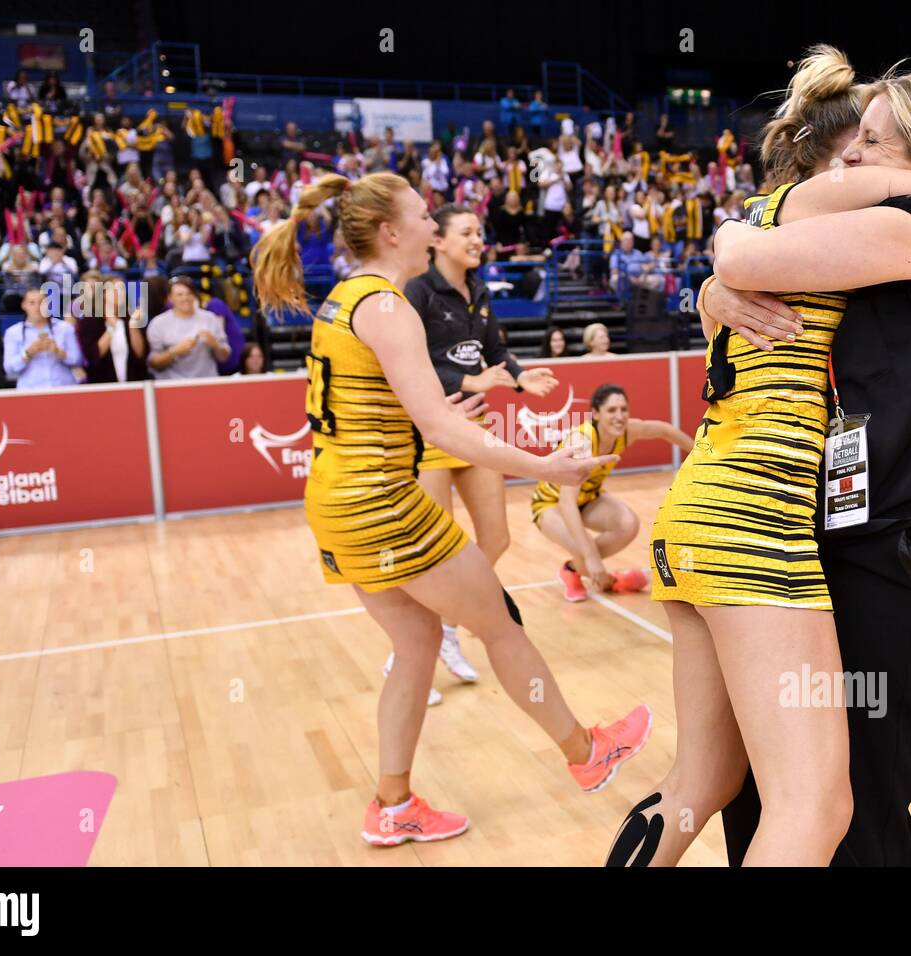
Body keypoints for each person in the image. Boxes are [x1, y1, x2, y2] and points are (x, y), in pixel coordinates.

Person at [606, 47, 911, 867]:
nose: (856, 157)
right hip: (787, 527)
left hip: (878, 541)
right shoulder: (853, 235)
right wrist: (715, 282)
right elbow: (736, 263)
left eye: (876, 145)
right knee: (803, 804)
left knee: (793, 797)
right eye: (854, 142)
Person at [250, 172, 652, 845]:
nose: (434, 227)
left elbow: (377, 409)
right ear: (391, 232)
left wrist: (430, 418)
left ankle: (392, 803)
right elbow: (439, 429)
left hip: (336, 499)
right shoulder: (388, 306)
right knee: (501, 623)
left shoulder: (346, 301)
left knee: (414, 646)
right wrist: (544, 465)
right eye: (423, 217)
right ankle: (587, 754)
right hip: (381, 503)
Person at [383, 204, 560, 693]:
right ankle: (413, 646)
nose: (477, 239)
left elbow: (495, 350)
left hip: (475, 425)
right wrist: (468, 379)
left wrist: (521, 377)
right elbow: (406, 362)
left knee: (497, 538)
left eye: (480, 232)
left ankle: (445, 626)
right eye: (467, 232)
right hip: (431, 430)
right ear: (437, 240)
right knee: (432, 551)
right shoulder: (415, 291)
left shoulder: (479, 289)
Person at [533, 384, 693, 602]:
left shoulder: (629, 430)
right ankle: (609, 579)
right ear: (596, 414)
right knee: (583, 547)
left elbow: (665, 430)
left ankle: (572, 569)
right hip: (551, 503)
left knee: (628, 524)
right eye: (611, 410)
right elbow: (566, 502)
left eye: (623, 409)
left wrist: (701, 455)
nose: (619, 416)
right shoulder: (582, 442)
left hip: (589, 497)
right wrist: (590, 556)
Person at [146, 276, 230, 379]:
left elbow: (225, 357)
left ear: (194, 295)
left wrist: (215, 344)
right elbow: (153, 364)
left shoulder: (210, 318)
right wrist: (174, 352)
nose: (185, 298)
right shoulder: (158, 324)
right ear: (170, 298)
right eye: (179, 295)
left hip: (206, 381)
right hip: (171, 385)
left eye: (189, 293)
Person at [2, 287, 84, 389]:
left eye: (41, 302)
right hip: (31, 392)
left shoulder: (64, 328)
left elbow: (78, 360)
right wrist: (28, 353)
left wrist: (58, 351)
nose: (37, 307)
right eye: (32, 303)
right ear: (24, 305)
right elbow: (9, 369)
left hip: (63, 388)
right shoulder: (13, 333)